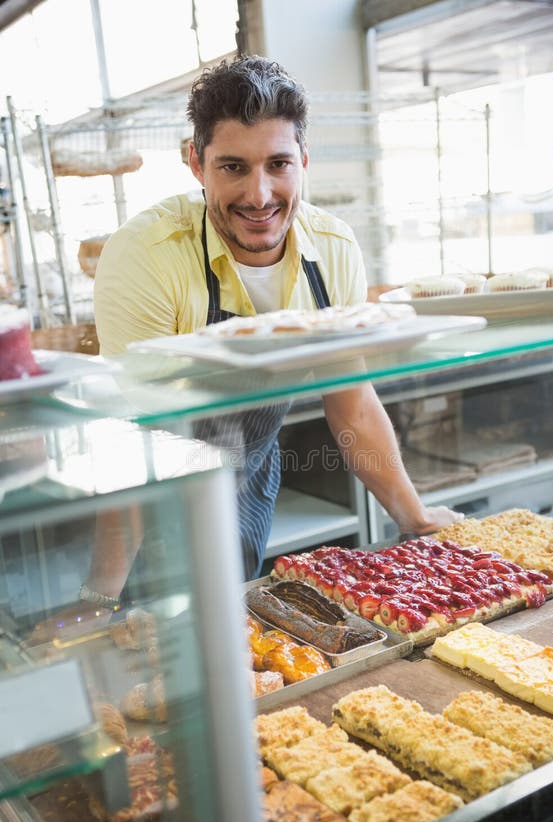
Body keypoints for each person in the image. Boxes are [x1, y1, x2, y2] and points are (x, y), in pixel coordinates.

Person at [88, 55, 461, 596]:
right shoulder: (146, 255)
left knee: (233, 638)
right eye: (233, 167)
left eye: (278, 164)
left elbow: (351, 399)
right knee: (149, 639)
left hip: (249, 479)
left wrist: (416, 519)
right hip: (148, 504)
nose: (259, 196)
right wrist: (97, 601)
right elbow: (139, 443)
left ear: (304, 159)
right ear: (196, 162)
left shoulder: (331, 250)